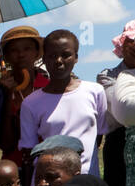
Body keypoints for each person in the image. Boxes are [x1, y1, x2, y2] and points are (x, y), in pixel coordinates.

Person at [19, 30, 108, 175]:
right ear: (44, 59)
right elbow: (30, 150)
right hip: (50, 185)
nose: (59, 61)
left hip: (86, 180)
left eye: (66, 55)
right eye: (52, 56)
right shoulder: (31, 103)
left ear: (76, 57)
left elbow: (98, 137)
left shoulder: (95, 92)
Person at [0, 26, 49, 174]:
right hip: (14, 169)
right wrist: (6, 98)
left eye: (27, 49)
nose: (21, 54)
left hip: (48, 164)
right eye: (14, 50)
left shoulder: (50, 87)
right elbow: (5, 143)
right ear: (6, 57)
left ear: (37, 53)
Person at [97, 19, 135, 186]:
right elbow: (122, 109)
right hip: (119, 147)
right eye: (131, 41)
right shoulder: (108, 76)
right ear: (123, 44)